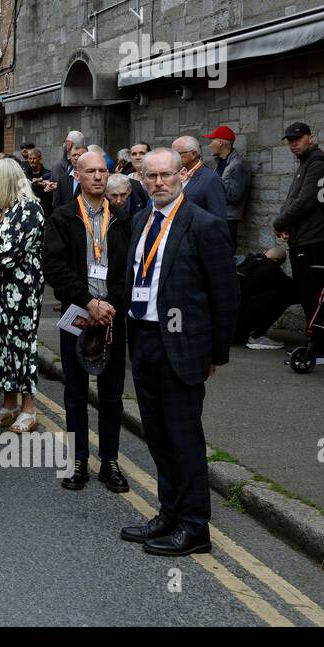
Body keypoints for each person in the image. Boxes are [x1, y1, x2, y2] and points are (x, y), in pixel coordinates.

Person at [121, 147, 238, 557]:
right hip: (145, 340)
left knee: (184, 438)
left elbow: (226, 295)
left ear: (181, 177)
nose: (158, 183)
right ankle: (169, 514)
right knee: (157, 436)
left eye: (166, 175)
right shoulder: (139, 220)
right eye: (150, 176)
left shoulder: (204, 226)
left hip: (183, 348)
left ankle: (194, 526)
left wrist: (215, 354)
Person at [43, 150, 132, 494]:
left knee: (111, 396)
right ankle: (78, 460)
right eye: (90, 171)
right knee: (75, 393)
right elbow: (54, 266)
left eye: (102, 171)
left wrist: (109, 304)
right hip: (78, 315)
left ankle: (109, 461)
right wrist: (88, 301)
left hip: (112, 316)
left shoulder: (123, 219)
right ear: (76, 175)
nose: (97, 176)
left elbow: (129, 271)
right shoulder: (63, 217)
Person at [0, 159, 46, 432]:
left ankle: (29, 409)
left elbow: (14, 250)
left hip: (22, 290)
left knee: (21, 347)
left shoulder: (30, 209)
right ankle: (10, 405)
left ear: (4, 179)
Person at [271, 123, 324, 364]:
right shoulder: (306, 163)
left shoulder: (318, 163)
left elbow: (306, 201)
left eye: (298, 139)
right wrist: (287, 226)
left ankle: (319, 350)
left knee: (311, 296)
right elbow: (295, 200)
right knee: (307, 295)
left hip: (311, 242)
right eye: (289, 140)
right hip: (302, 238)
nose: (293, 143)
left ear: (310, 137)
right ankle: (314, 345)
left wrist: (279, 222)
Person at [236, 248, 294, 349]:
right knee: (286, 294)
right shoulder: (272, 268)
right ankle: (256, 336)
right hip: (239, 322)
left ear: (264, 252)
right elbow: (292, 287)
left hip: (221, 324)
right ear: (278, 262)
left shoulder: (245, 261)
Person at [205, 125, 250, 248]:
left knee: (225, 255)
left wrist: (213, 180)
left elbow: (234, 196)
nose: (209, 145)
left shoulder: (237, 165)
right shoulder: (221, 162)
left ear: (220, 142)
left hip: (228, 220)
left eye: (212, 141)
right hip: (218, 216)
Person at [172, 136, 228, 223]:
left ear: (193, 154)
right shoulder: (175, 175)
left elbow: (218, 219)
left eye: (176, 154)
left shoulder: (211, 179)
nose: (173, 158)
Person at [52, 142, 88, 209]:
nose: (76, 158)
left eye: (79, 155)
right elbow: (56, 204)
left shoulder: (91, 178)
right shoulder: (63, 179)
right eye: (74, 155)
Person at [27, 147, 57, 217]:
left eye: (34, 158)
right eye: (30, 159)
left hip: (45, 212)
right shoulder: (26, 174)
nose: (32, 161)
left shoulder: (48, 174)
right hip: (29, 211)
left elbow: (51, 196)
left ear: (40, 159)